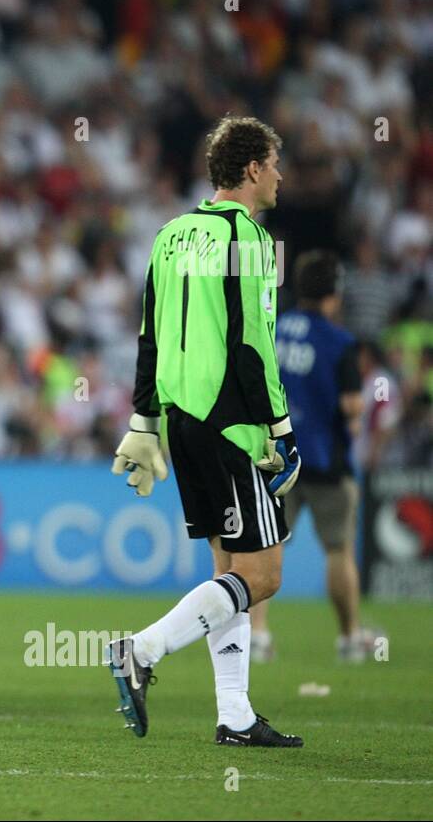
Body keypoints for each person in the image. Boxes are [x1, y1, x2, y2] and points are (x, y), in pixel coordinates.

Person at [107, 116, 303, 746]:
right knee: (264, 575)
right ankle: (141, 649)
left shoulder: (168, 235)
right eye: (273, 164)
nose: (279, 175)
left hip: (183, 426)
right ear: (251, 169)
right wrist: (281, 428)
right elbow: (252, 344)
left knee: (229, 569)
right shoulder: (249, 239)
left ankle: (235, 714)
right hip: (235, 426)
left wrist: (143, 422)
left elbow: (150, 337)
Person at [254, 250, 376, 663]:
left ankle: (257, 637)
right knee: (338, 550)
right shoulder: (340, 342)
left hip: (276, 456)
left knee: (266, 547)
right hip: (326, 459)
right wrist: (354, 422)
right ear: (335, 293)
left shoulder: (275, 328)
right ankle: (349, 638)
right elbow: (352, 407)